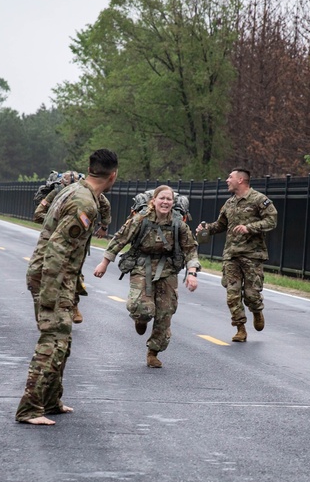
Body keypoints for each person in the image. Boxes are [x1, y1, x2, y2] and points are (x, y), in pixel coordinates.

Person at [16, 149, 119, 425]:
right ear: (113, 175)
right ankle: (29, 408)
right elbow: (57, 248)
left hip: (59, 277)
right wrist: (51, 295)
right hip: (52, 276)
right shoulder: (84, 203)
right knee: (52, 340)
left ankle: (50, 400)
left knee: (64, 340)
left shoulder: (76, 189)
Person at [93, 185, 200, 368]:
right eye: (162, 198)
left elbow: (190, 249)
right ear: (154, 201)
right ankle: (140, 318)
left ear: (173, 203)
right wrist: (104, 263)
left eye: (169, 199)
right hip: (142, 266)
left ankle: (153, 352)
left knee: (165, 313)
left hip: (168, 269)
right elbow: (120, 239)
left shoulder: (178, 224)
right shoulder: (140, 220)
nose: (165, 202)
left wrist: (191, 273)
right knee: (143, 308)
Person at [195, 168, 278, 342]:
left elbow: (272, 221)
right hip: (231, 255)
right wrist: (206, 229)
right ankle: (240, 328)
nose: (227, 180)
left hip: (252, 255)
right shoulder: (229, 203)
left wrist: (250, 228)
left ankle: (257, 310)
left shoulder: (259, 200)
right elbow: (220, 225)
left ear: (241, 180)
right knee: (232, 294)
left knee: (251, 294)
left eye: (230, 177)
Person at [33, 172, 112, 324]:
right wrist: (59, 221)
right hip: (54, 239)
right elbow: (38, 214)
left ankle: (72, 305)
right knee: (48, 271)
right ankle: (48, 309)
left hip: (78, 240)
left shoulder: (90, 194)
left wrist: (104, 226)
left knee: (73, 272)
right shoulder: (58, 192)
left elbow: (105, 206)